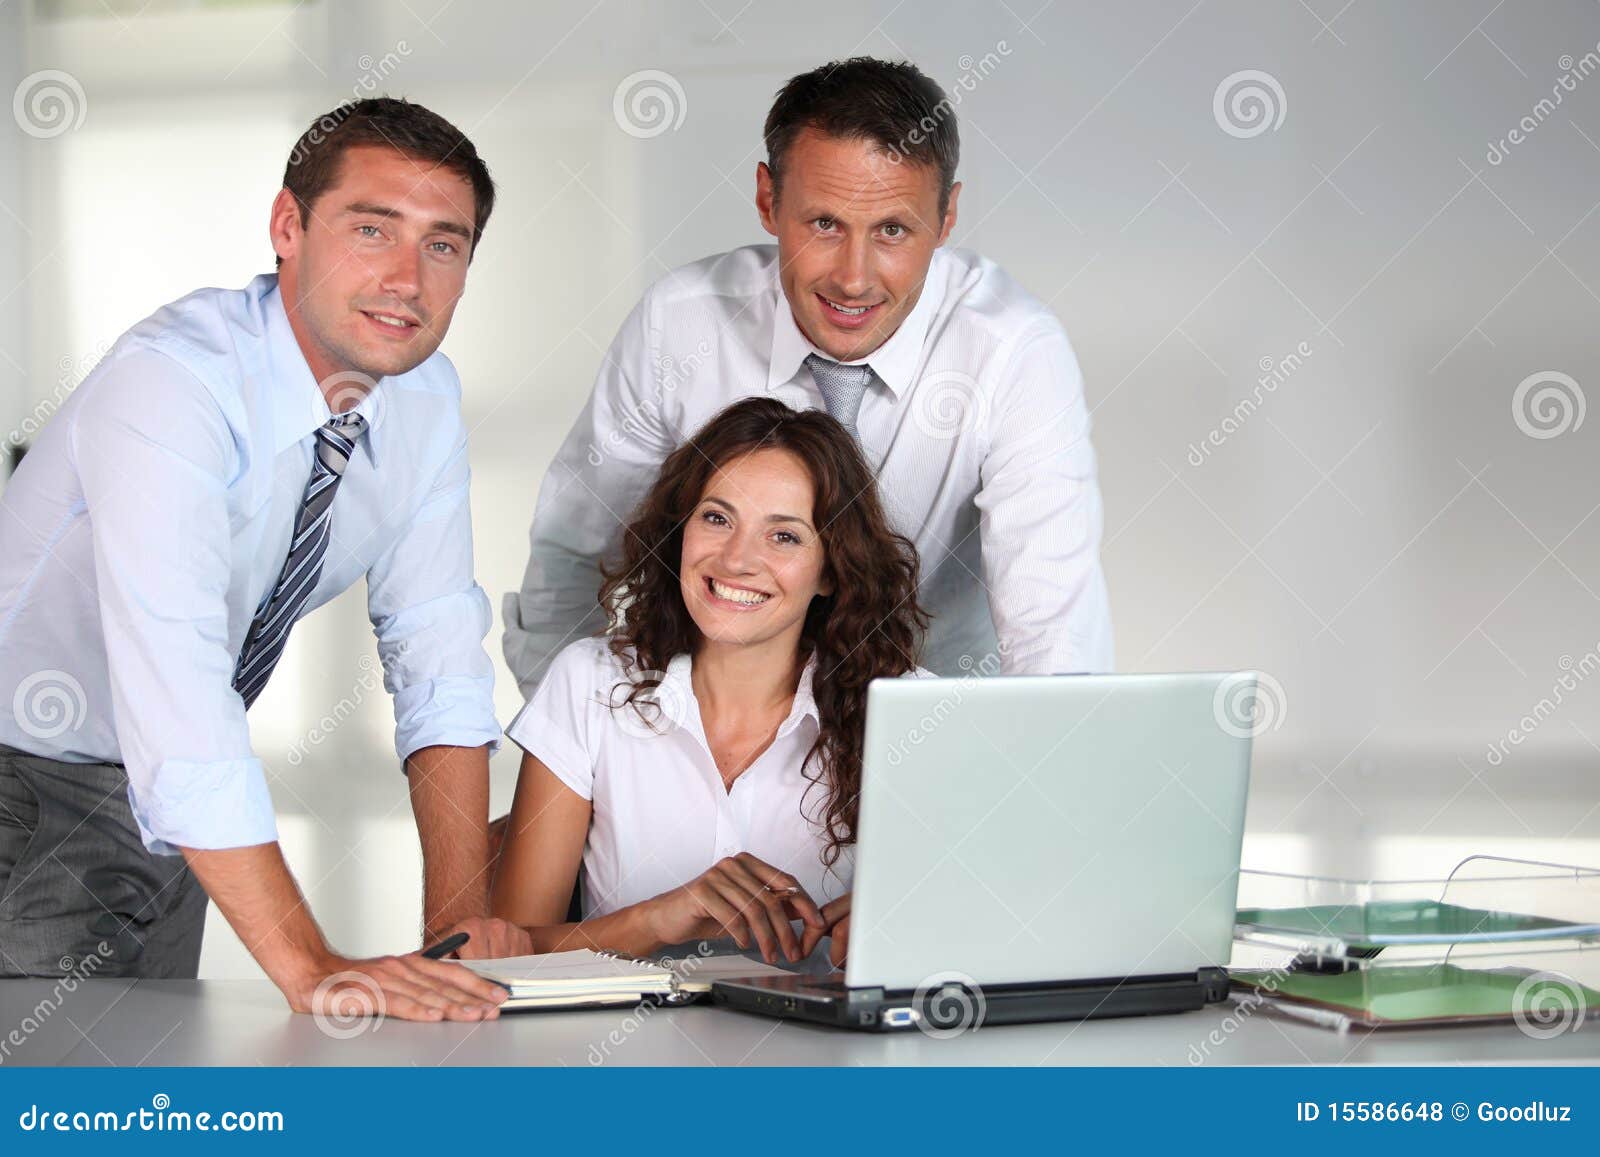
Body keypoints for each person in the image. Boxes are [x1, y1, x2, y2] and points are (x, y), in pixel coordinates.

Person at [0, 98, 527, 1021]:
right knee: (48, 1101)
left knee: (142, 1098)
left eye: (445, 245)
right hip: (28, 785)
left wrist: (459, 933)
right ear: (289, 226)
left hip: (179, 805)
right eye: (372, 229)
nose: (407, 278)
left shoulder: (421, 397)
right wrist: (314, 963)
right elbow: (179, 687)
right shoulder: (175, 384)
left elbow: (437, 648)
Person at [503, 56, 1114, 705]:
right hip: (718, 734)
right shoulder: (681, 325)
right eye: (824, 224)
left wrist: (1041, 778)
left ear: (947, 216)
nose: (853, 278)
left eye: (893, 230)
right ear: (769, 200)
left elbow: (1054, 630)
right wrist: (572, 755)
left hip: (935, 730)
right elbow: (575, 554)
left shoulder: (1013, 349)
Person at [491, 398, 929, 966]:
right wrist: (656, 918)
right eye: (717, 518)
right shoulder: (588, 682)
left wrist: (903, 929)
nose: (738, 559)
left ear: (830, 570)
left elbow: (993, 941)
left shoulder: (911, 711)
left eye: (785, 536)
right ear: (680, 532)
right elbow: (506, 955)